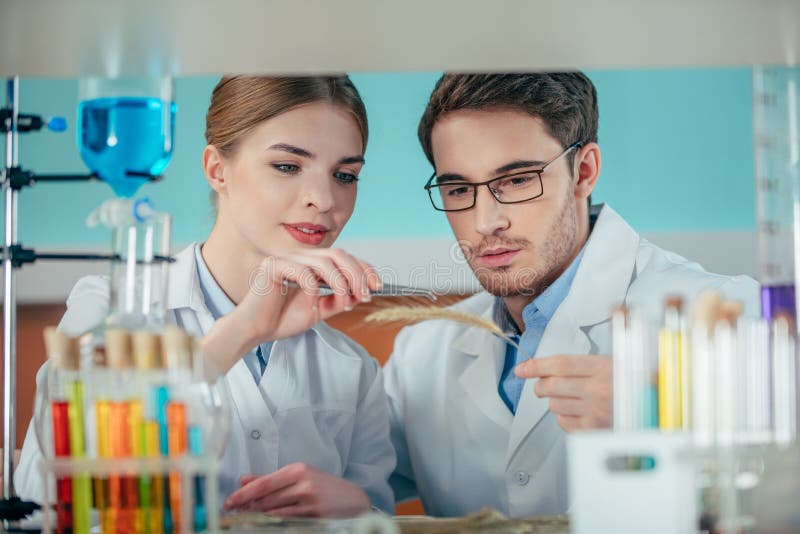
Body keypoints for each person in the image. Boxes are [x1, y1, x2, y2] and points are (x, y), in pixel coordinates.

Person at [16, 75, 395, 517]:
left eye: (345, 175)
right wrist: (237, 333)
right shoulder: (107, 308)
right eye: (287, 166)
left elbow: (380, 518)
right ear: (218, 170)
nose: (324, 199)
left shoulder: (354, 369)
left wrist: (360, 507)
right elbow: (41, 494)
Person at [383, 72, 759, 517]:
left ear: (584, 172)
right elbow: (345, 484)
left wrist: (667, 419)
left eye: (518, 180)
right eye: (459, 189)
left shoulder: (729, 315)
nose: (486, 222)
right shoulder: (422, 352)